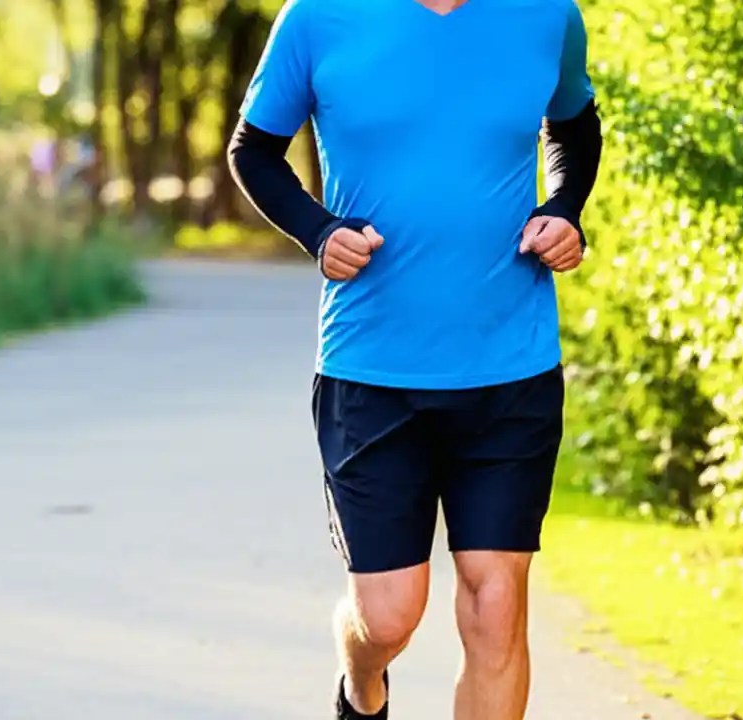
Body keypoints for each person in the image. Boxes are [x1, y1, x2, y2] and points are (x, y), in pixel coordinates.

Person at [228, 0, 602, 717]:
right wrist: (318, 231)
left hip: (511, 364)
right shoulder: (317, 17)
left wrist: (564, 209)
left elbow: (574, 124)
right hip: (371, 368)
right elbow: (252, 151)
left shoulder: (547, 14)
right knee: (389, 614)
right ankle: (361, 686)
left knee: (497, 607)